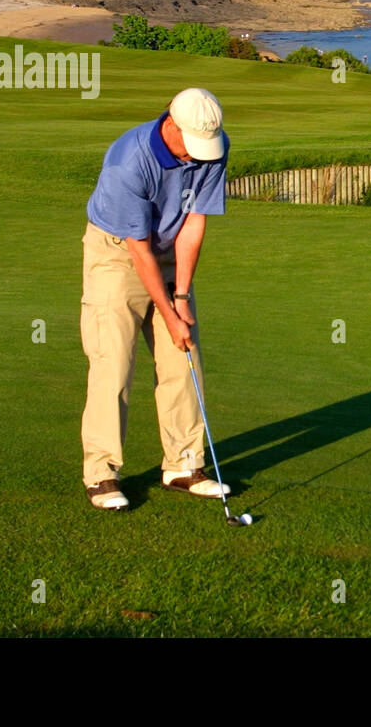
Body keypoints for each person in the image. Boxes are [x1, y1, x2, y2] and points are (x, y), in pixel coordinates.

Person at [80, 87, 230, 511]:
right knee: (114, 362)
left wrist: (180, 297)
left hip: (169, 252)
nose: (200, 156)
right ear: (170, 122)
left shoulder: (214, 147)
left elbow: (195, 221)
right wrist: (167, 310)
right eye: (192, 144)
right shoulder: (128, 163)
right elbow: (138, 250)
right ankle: (102, 474)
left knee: (184, 357)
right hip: (117, 254)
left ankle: (184, 465)